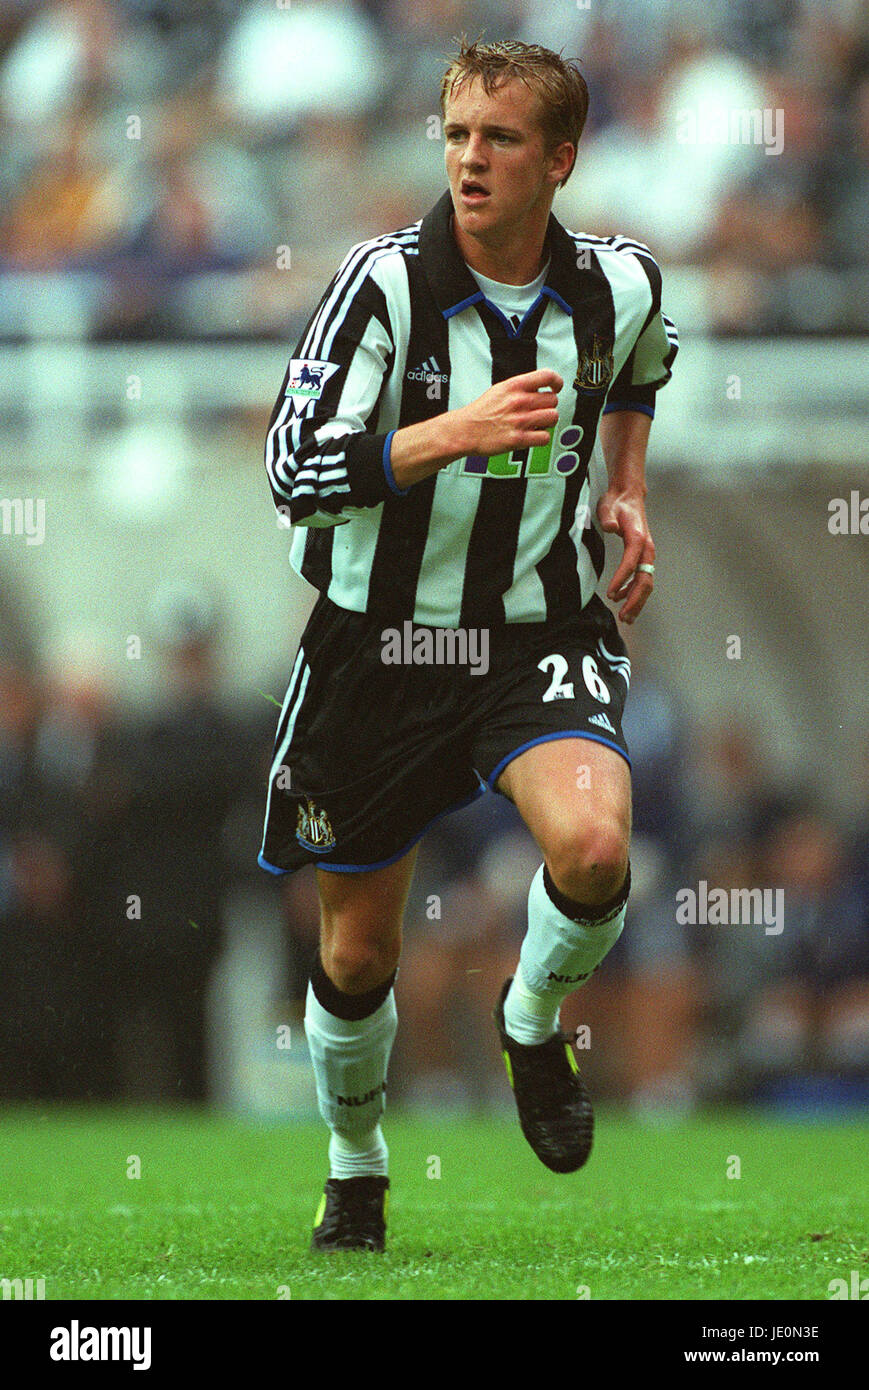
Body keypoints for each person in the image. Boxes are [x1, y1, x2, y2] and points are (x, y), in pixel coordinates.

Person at [259, 38, 677, 1251]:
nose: (468, 160)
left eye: (497, 139)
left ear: (558, 159)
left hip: (529, 634)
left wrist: (627, 482)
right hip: (376, 651)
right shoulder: (381, 285)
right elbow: (291, 471)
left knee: (596, 846)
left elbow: (643, 367)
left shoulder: (618, 284)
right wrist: (447, 433)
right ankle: (354, 1163)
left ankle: (532, 1018)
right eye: (454, 135)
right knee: (357, 949)